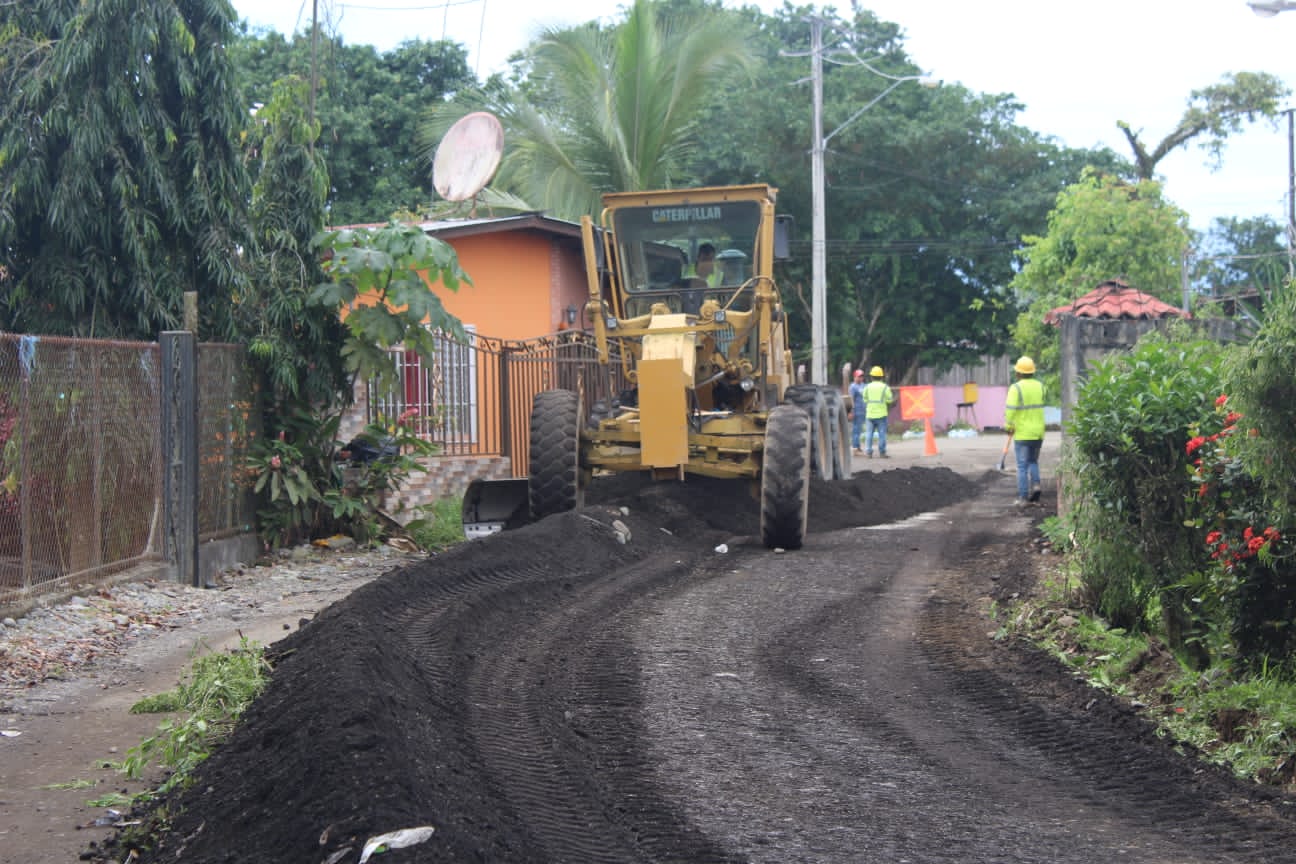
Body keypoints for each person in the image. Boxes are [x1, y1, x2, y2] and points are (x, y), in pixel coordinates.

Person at [1004, 355, 1046, 506]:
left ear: (1018, 373)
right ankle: (1036, 485)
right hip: (1038, 432)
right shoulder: (1041, 386)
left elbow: (1010, 410)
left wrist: (1008, 427)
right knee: (1033, 461)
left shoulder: (1015, 388)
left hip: (1022, 433)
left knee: (1022, 466)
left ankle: (1023, 498)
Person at [860, 366, 895, 458]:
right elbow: (890, 400)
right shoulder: (885, 387)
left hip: (870, 414)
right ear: (881, 377)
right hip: (881, 414)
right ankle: (882, 452)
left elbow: (864, 399)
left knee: (869, 434)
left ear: (871, 376)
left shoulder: (867, 387)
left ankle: (868, 452)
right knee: (882, 434)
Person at [848, 369, 867, 454]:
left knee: (860, 430)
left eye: (862, 376)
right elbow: (851, 399)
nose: (861, 378)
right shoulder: (853, 386)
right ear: (855, 377)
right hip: (857, 410)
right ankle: (855, 447)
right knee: (856, 430)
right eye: (859, 376)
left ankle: (858, 446)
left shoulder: (864, 385)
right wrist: (852, 410)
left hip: (864, 410)